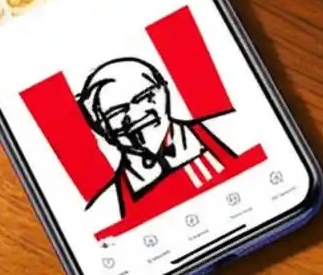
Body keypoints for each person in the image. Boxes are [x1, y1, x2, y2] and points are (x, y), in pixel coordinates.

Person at [78, 58, 237, 219]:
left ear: (164, 91)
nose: (135, 115)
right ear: (100, 128)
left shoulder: (232, 132)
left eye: (145, 97)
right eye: (116, 112)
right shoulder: (106, 209)